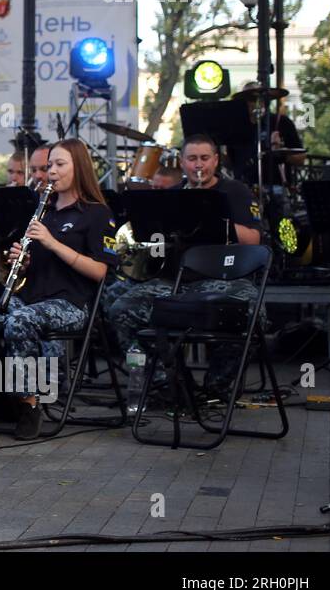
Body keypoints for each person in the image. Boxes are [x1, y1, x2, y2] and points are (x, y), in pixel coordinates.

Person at [0, 138, 118, 439]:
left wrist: (51, 242)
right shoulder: (42, 211)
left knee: (21, 321)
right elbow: (41, 261)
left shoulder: (96, 214)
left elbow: (99, 271)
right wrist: (23, 258)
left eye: (60, 165)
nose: (52, 172)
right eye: (49, 166)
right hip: (28, 297)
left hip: (69, 304)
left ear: (79, 167)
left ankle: (29, 404)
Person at [103, 134, 263, 397]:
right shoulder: (173, 195)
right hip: (176, 281)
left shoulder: (235, 191)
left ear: (215, 160)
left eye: (204, 158)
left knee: (254, 312)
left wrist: (213, 216)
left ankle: (216, 387)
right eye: (192, 159)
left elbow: (254, 239)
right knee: (121, 309)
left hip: (224, 279)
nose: (198, 165)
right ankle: (169, 383)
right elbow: (153, 242)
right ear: (182, 162)